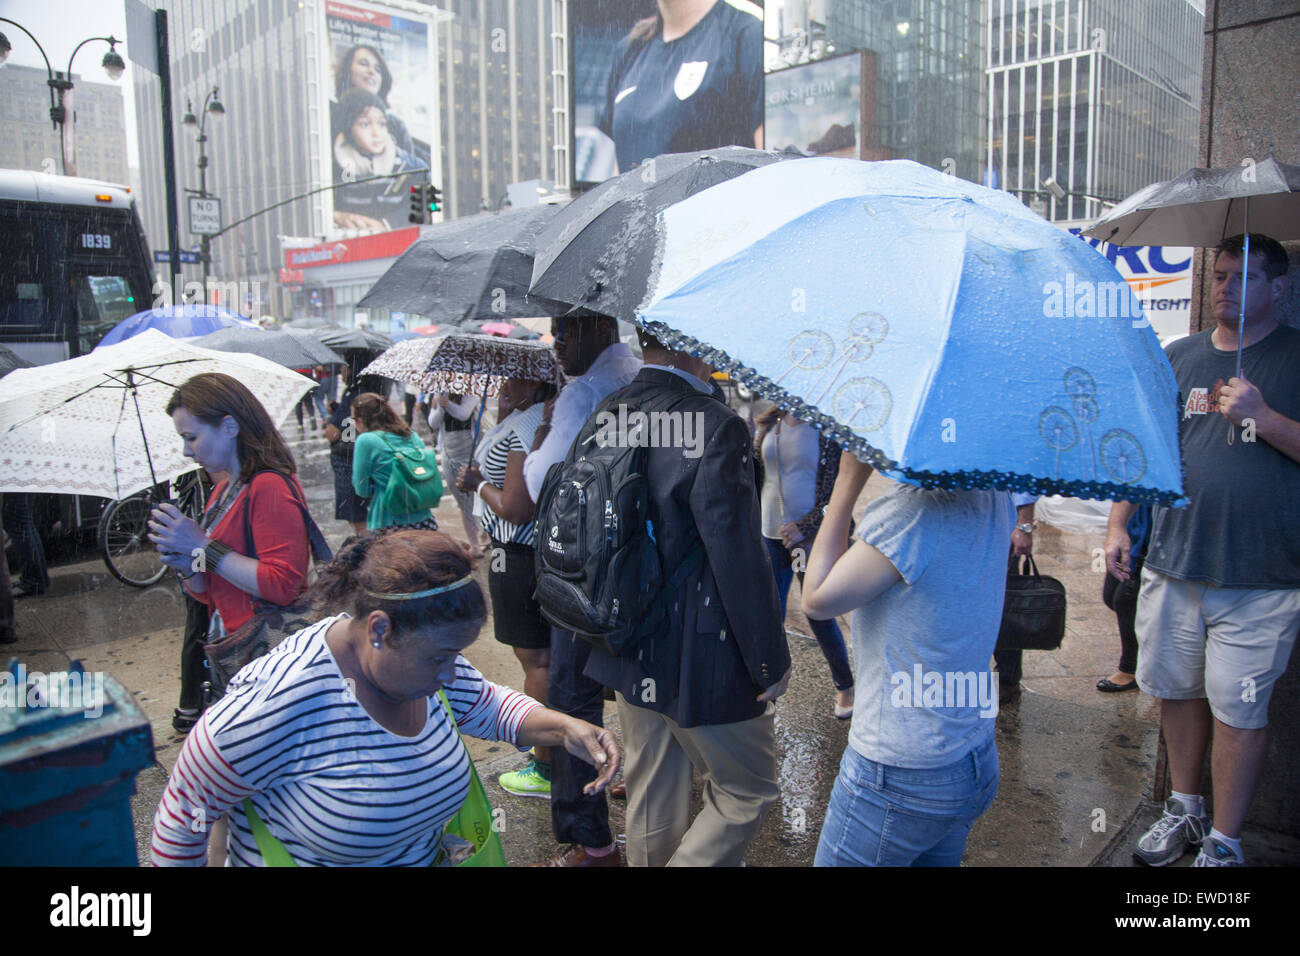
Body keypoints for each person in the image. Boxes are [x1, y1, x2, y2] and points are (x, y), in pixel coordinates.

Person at [149, 529, 620, 866]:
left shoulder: (424, 661)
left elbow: (483, 703)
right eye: (440, 658)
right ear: (378, 629)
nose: (449, 673)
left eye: (457, 655)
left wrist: (565, 728)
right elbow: (183, 814)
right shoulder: (275, 702)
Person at [1107, 234, 1300, 868]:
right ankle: (1185, 809)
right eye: (1218, 275)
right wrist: (1117, 524)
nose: (1225, 287)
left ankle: (1226, 840)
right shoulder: (1181, 356)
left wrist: (1263, 416)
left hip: (1260, 576)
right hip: (1172, 563)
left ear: (1278, 287)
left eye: (1243, 277)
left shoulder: (1294, 357)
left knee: (1240, 711)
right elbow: (1147, 450)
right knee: (1177, 691)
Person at [582, 328, 790, 866]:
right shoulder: (716, 424)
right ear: (693, 342)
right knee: (747, 791)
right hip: (699, 651)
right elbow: (737, 556)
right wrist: (768, 659)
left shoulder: (610, 407)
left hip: (625, 636)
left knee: (654, 791)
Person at [802, 455, 1012, 867]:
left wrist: (845, 485)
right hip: (970, 756)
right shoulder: (995, 489)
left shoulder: (912, 510)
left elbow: (817, 599)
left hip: (897, 775)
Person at [522, 311, 642, 867]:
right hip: (645, 571)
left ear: (596, 329)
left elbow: (536, 484)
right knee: (645, 694)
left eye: (563, 333)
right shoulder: (643, 377)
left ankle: (592, 842)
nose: (556, 344)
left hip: (586, 575)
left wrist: (542, 435)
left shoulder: (582, 394)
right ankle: (645, 792)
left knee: (572, 697)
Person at [147, 373, 313, 733]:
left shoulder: (268, 485)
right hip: (234, 653)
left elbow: (283, 584)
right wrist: (186, 563)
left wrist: (202, 546)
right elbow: (209, 591)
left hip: (269, 658)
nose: (187, 450)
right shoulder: (221, 490)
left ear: (229, 426)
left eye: (191, 437)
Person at [455, 376, 557, 799]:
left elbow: (516, 508)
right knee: (539, 659)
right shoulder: (526, 418)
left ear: (538, 379)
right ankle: (553, 757)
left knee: (537, 661)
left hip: (518, 551)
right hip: (518, 553)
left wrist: (476, 483)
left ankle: (545, 766)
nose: (502, 385)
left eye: (512, 378)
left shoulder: (528, 425)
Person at [754, 406, 853, 717]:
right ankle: (767, 689)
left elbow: (835, 494)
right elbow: (761, 479)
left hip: (807, 540)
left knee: (818, 614)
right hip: (770, 534)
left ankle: (845, 686)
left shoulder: (826, 429)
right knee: (770, 616)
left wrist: (805, 526)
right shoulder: (771, 423)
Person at [598, 0, 764, 175]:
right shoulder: (628, 50)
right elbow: (620, 176)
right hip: (639, 203)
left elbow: (770, 168)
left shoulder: (746, 33)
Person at [331, 89, 422, 232]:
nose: (376, 133)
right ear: (348, 129)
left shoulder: (406, 165)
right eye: (365, 124)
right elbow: (324, 204)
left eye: (381, 124)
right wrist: (337, 216)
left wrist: (386, 224)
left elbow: (424, 205)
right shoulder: (337, 164)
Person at [350, 392, 440, 532]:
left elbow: (362, 489)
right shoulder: (411, 436)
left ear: (360, 420)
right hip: (424, 521)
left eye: (353, 419)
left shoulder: (366, 441)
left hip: (388, 522)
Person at [1098, 503, 1150, 693]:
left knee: (1126, 599)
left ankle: (1129, 667)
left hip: (1152, 532)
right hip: (1134, 523)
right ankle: (1142, 659)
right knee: (1111, 595)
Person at [992, 495, 1039, 705]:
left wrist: (1024, 525)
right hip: (956, 521)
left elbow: (1024, 477)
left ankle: (1007, 679)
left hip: (999, 522)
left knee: (1005, 602)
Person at [324, 365, 379, 535]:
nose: (342, 372)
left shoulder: (353, 394)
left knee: (358, 520)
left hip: (348, 461)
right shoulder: (372, 389)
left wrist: (333, 419)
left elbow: (332, 434)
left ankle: (368, 549)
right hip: (367, 458)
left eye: (345, 367)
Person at [435, 392, 487, 552]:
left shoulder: (471, 394)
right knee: (461, 498)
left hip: (468, 448)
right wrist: (440, 407)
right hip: (449, 450)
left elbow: (463, 414)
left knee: (475, 495)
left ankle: (484, 532)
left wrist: (447, 404)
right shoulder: (439, 394)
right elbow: (433, 423)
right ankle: (474, 544)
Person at [3, 493, 49, 598]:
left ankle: (33, 581)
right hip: (23, 479)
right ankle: (39, 578)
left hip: (15, 481)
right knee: (24, 521)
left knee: (17, 522)